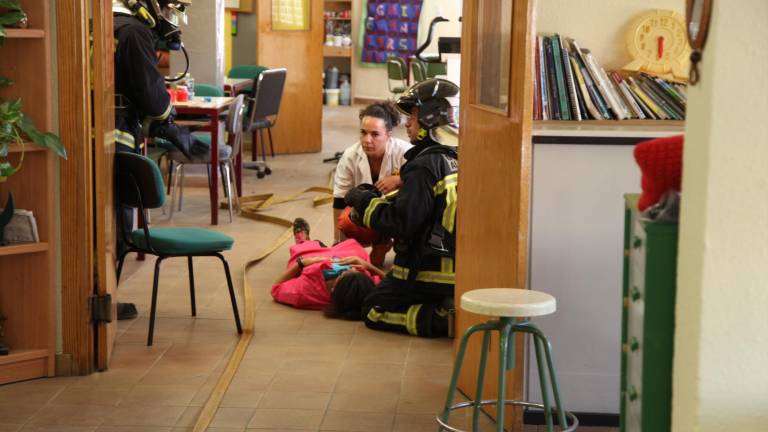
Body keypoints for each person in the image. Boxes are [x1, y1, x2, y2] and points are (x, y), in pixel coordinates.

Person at [113, 0, 209, 320]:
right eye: (168, 9)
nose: (168, 18)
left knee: (108, 223)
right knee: (117, 223)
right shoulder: (133, 33)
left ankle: (104, 299)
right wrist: (170, 125)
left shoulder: (105, 24)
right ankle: (106, 301)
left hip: (99, 138)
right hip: (117, 142)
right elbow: (151, 96)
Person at [344, 78, 459, 338]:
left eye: (413, 117)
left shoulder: (423, 167)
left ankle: (441, 321)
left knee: (373, 309)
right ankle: (439, 306)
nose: (407, 123)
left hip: (427, 272)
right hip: (451, 267)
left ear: (428, 121)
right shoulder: (452, 156)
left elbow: (400, 224)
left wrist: (363, 201)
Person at [332, 101, 412, 267]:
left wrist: (400, 179)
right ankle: (381, 242)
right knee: (346, 221)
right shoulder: (350, 156)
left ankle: (395, 245)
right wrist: (338, 243)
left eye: (375, 134)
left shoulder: (405, 152)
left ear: (388, 135)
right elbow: (340, 199)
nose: (367, 140)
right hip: (370, 213)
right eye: (363, 132)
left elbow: (423, 183)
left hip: (398, 215)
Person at [271, 218, 383, 312]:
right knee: (354, 249)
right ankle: (332, 245)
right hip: (344, 254)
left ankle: (303, 239)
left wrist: (301, 263)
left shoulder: (304, 291)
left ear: (334, 290)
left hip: (312, 259)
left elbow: (276, 288)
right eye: (356, 272)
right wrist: (367, 266)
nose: (352, 268)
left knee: (303, 248)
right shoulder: (361, 289)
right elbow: (390, 281)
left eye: (343, 274)